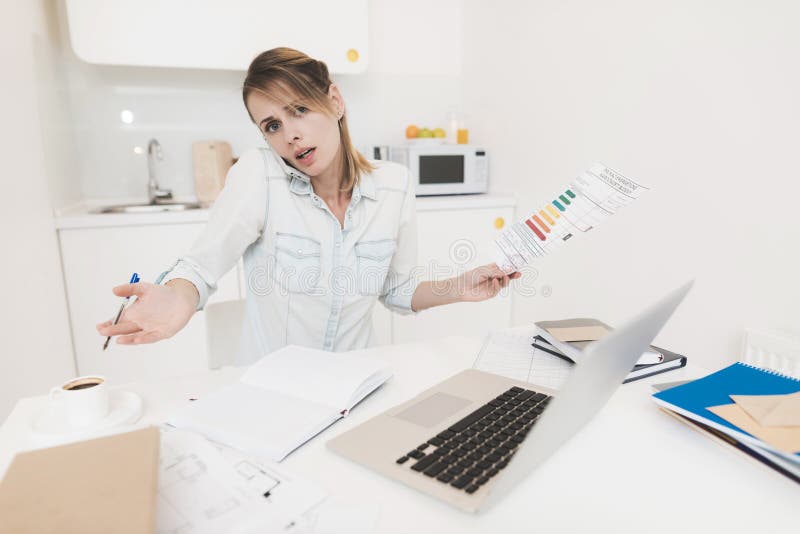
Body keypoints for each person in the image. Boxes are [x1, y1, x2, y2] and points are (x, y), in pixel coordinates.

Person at [96, 47, 520, 364]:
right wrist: (180, 298)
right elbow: (201, 267)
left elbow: (397, 290)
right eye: (273, 125)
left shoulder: (395, 185)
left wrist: (458, 287)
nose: (290, 135)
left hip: (357, 382)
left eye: (298, 109)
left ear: (334, 102)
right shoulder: (259, 174)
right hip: (275, 387)